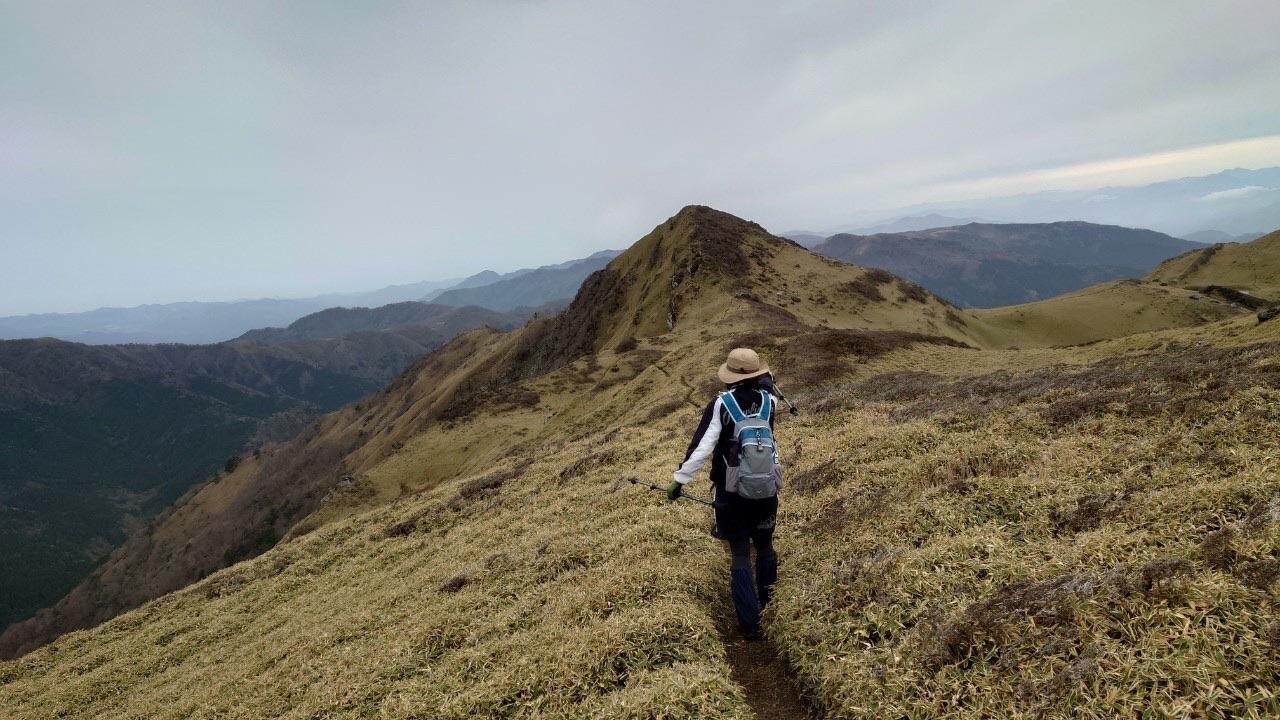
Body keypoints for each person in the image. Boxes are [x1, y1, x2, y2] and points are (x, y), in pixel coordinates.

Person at [667, 347, 781, 640]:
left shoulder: (721, 404)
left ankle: (751, 626)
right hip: (767, 489)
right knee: (765, 547)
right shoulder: (770, 401)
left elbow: (702, 447)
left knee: (741, 554)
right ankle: (772, 608)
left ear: (730, 375)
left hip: (732, 493)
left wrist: (680, 480)